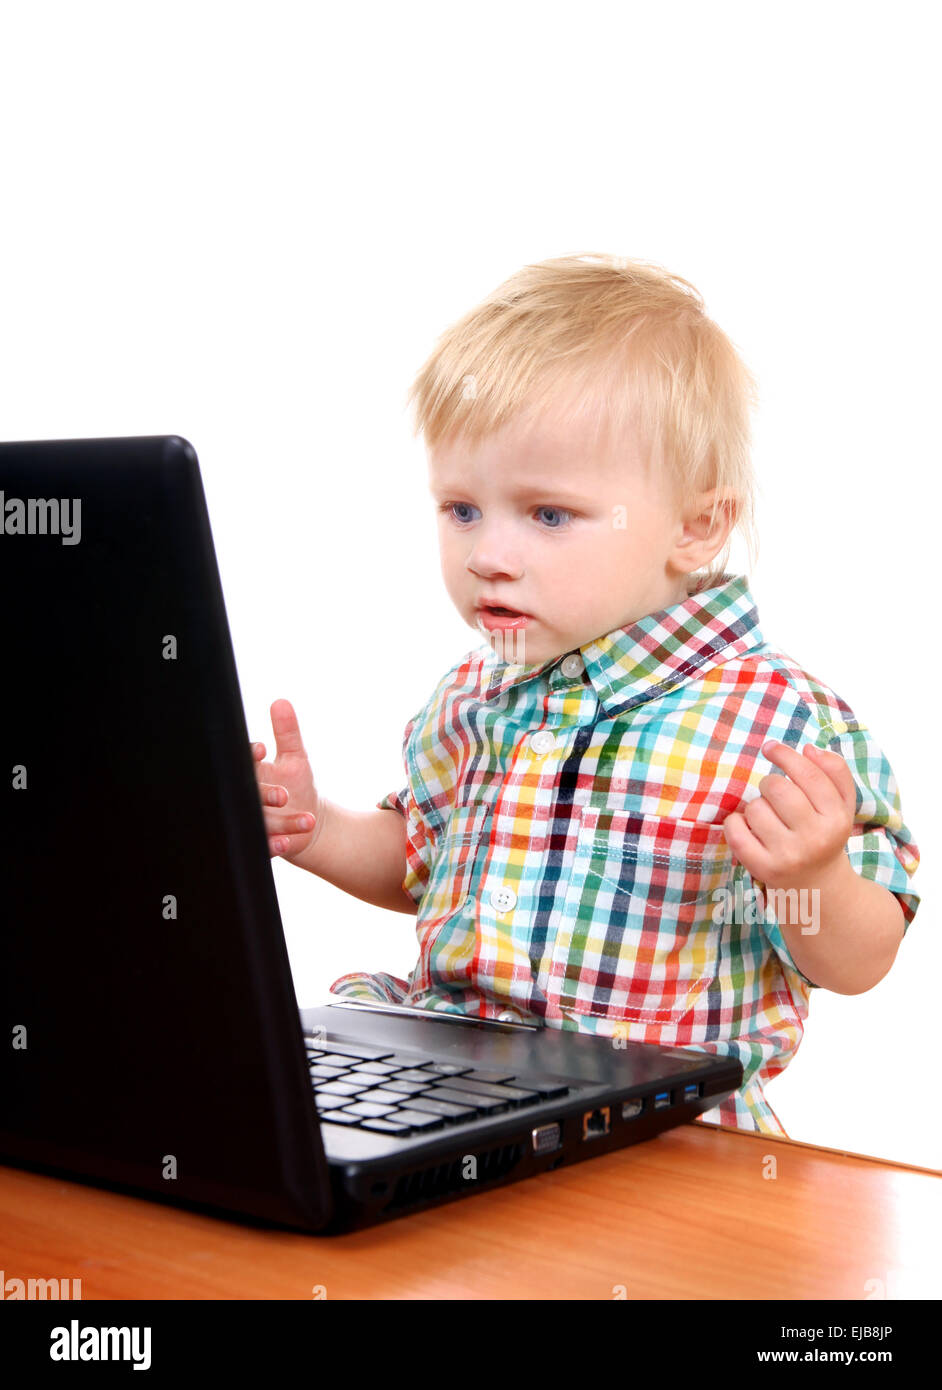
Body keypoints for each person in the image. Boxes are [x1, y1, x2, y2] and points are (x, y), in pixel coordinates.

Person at [250, 253, 920, 1135]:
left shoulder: (776, 721)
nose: (489, 555)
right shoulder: (472, 697)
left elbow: (862, 961)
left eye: (549, 515)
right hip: (457, 1100)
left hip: (659, 1134)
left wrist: (814, 876)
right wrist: (315, 828)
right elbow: (422, 863)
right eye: (462, 509)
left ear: (696, 527)